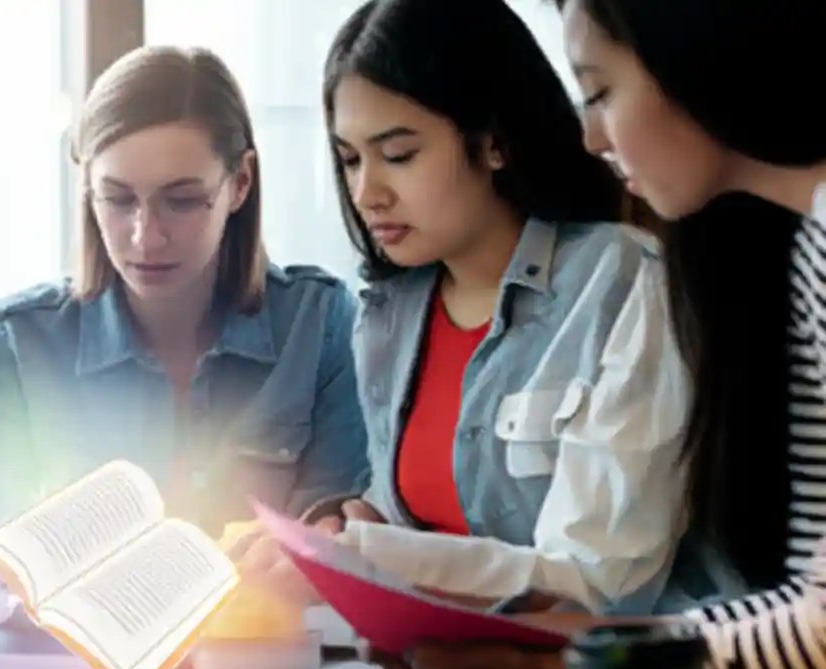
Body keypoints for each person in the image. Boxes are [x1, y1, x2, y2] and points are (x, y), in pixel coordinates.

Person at [368, 0, 826, 669]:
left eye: (601, 91)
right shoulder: (799, 253)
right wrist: (562, 651)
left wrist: (553, 661)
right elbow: (809, 612)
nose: (589, 135)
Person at [232, 0, 725, 617]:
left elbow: (597, 585)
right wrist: (340, 527)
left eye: (400, 153)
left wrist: (370, 553)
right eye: (351, 159)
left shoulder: (623, 283)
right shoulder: (388, 313)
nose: (367, 192)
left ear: (494, 143)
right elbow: (422, 517)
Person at [0, 45, 369, 588]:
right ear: (87, 188)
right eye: (117, 200)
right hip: (69, 662)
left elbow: (333, 535)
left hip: (263, 657)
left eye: (182, 200)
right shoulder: (21, 340)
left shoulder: (320, 322)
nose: (147, 236)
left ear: (240, 184)